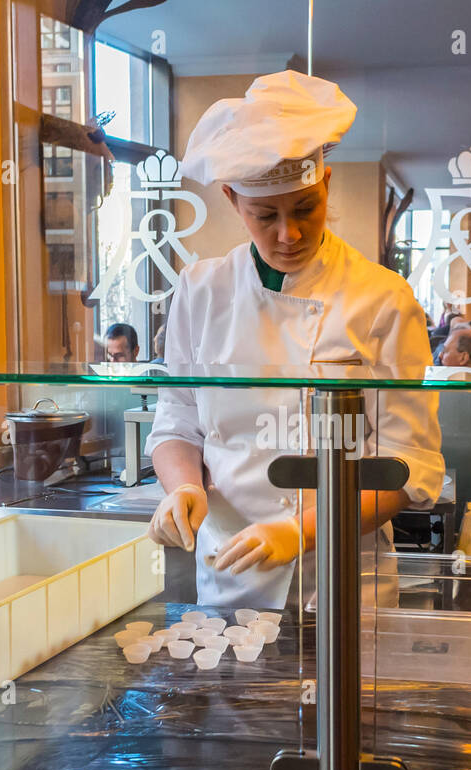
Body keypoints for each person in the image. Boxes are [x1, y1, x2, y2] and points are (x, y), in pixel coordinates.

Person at [144, 71, 444, 609]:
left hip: (344, 581)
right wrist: (183, 488)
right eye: (266, 216)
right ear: (234, 200)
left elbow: (409, 467)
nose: (289, 234)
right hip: (230, 574)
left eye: (305, 207)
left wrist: (301, 531)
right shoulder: (200, 289)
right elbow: (177, 422)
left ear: (326, 184)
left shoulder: (382, 298)